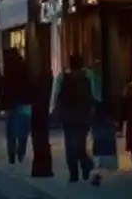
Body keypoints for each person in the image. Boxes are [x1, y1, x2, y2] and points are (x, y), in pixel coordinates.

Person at [50, 54, 99, 182]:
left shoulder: (64, 79)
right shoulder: (87, 78)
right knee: (80, 144)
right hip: (83, 116)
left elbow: (59, 97)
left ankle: (74, 173)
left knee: (70, 144)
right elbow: (93, 97)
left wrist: (55, 112)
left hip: (68, 116)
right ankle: (85, 164)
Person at [0, 49, 33, 165]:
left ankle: (11, 153)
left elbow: (4, 87)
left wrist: (3, 101)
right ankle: (21, 150)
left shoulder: (8, 69)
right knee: (23, 128)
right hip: (24, 101)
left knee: (10, 129)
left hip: (11, 103)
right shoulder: (25, 68)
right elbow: (30, 84)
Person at [90, 101, 119, 187]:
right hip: (108, 143)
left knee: (98, 157)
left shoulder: (95, 121)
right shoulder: (110, 123)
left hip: (98, 142)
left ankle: (97, 174)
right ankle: (100, 173)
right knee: (106, 155)